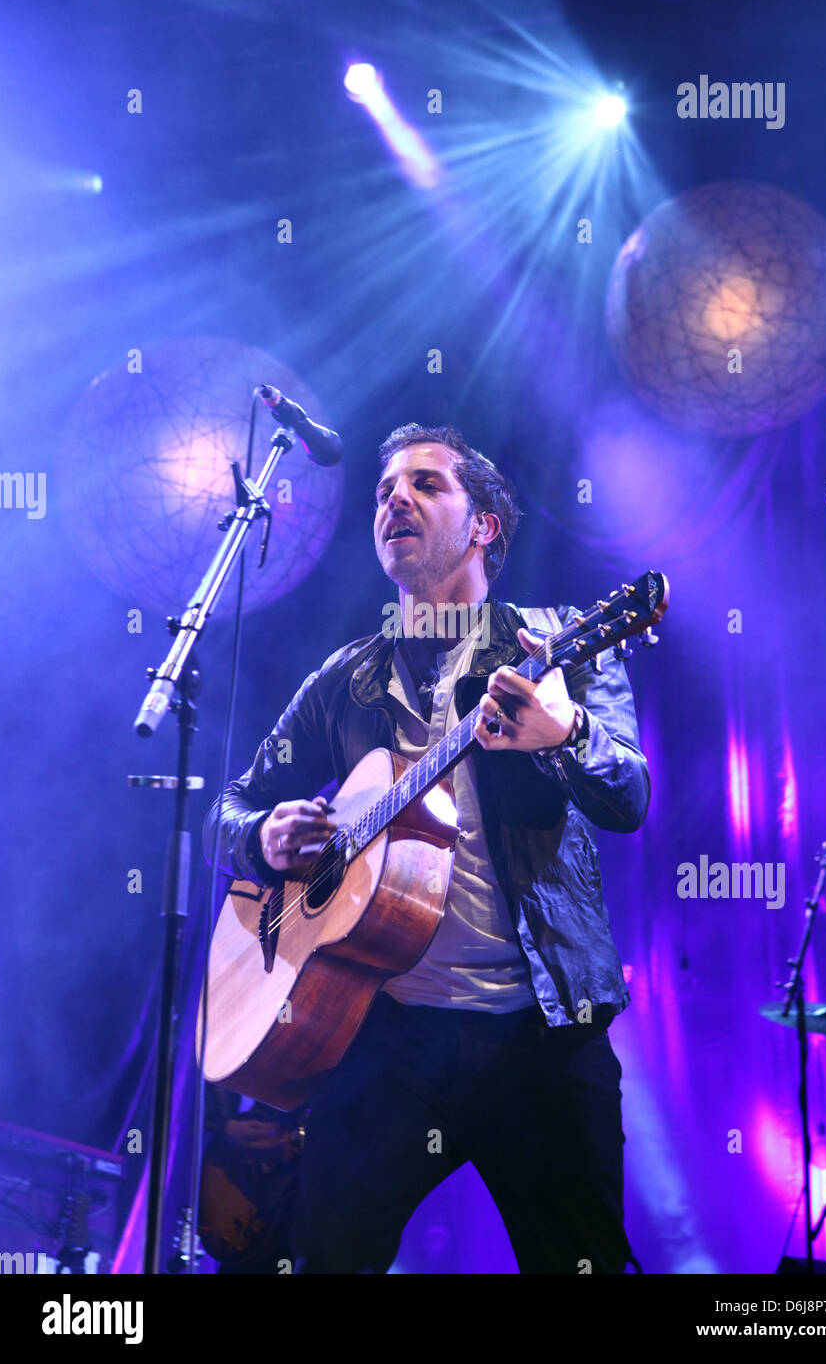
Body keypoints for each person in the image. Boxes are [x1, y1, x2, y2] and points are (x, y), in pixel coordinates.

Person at [202, 423, 650, 1274]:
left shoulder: (551, 647)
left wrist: (565, 733)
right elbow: (226, 809)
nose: (393, 500)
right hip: (381, 1036)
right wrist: (260, 838)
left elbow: (627, 797)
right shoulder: (345, 679)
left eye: (425, 485)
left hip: (541, 1036)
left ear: (483, 525)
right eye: (383, 491)